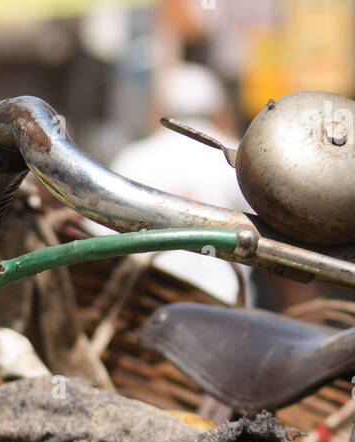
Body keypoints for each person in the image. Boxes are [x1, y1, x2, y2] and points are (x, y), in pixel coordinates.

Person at [107, 64, 254, 305]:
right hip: (226, 308)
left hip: (148, 309)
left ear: (161, 109)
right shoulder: (242, 162)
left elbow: (100, 240)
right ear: (219, 110)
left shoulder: (134, 159)